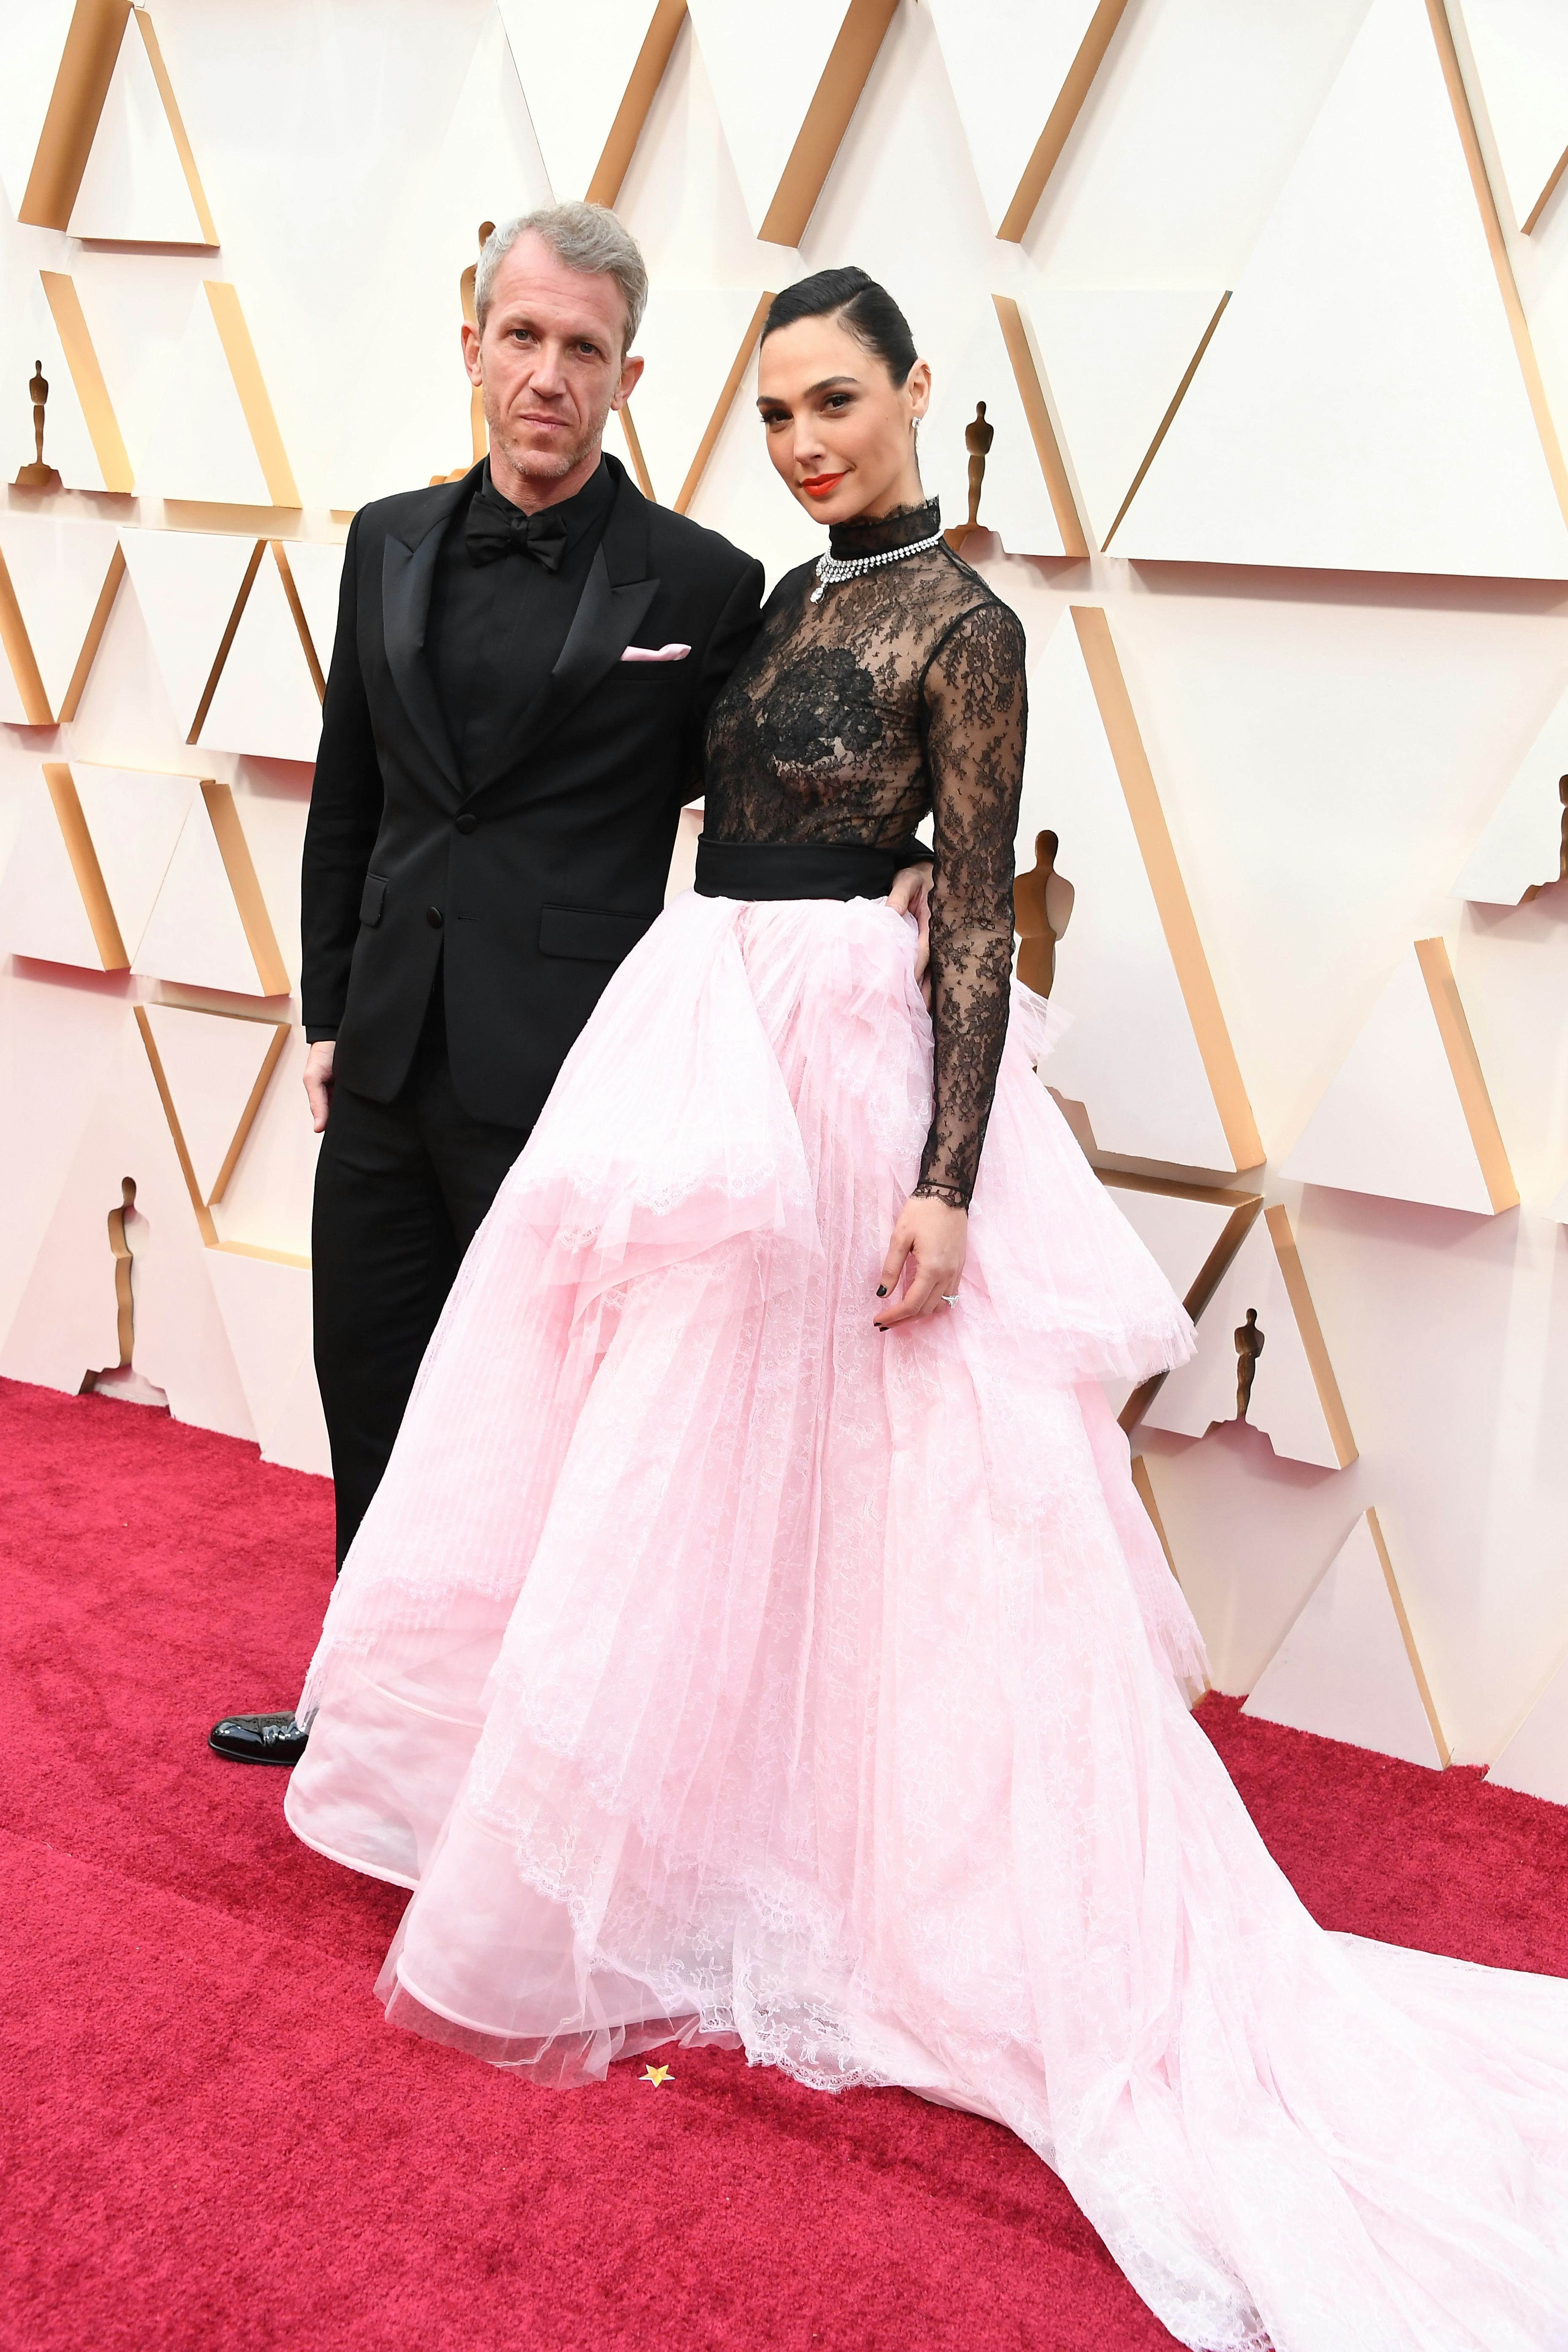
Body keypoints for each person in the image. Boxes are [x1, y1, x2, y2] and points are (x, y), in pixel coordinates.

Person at [284, 267, 1568, 2349]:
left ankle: (931, 1896)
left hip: (854, 1086)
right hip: (718, 1047)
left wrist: (949, 1183)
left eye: (838, 402)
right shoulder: (777, 597)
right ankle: (720, 1838)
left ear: (912, 395)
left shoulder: (967, 627)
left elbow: (970, 910)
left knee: (903, 1505)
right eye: (778, 413)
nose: (807, 442)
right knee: (703, 1476)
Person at [209, 209, 935, 1768]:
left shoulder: (705, 582)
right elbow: (352, 793)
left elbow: (773, 779)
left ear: (628, 378)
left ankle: (524, 1763)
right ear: (473, 346)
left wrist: (897, 859)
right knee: (372, 1390)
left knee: (541, 1429)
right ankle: (361, 1718)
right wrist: (327, 1010)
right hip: (386, 1057)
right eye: (523, 337)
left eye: (583, 348)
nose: (548, 373)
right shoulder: (387, 539)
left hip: (572, 1076)